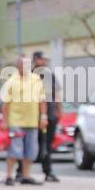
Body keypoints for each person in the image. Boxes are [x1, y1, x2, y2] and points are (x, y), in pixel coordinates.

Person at [0, 54, 45, 185]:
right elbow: (5, 104)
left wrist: (43, 116)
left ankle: (26, 176)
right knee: (15, 150)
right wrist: (5, 120)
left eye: (28, 64)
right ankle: (9, 176)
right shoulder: (11, 81)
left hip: (32, 121)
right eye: (23, 64)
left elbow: (42, 100)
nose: (26, 67)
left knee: (30, 151)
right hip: (16, 121)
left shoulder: (36, 80)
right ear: (17, 66)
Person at [33, 50, 63, 183]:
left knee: (47, 145)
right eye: (42, 59)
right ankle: (21, 171)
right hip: (33, 115)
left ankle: (48, 171)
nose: (44, 62)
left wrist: (59, 110)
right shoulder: (30, 75)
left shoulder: (50, 75)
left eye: (45, 59)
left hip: (50, 114)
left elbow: (57, 94)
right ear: (35, 59)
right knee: (31, 143)